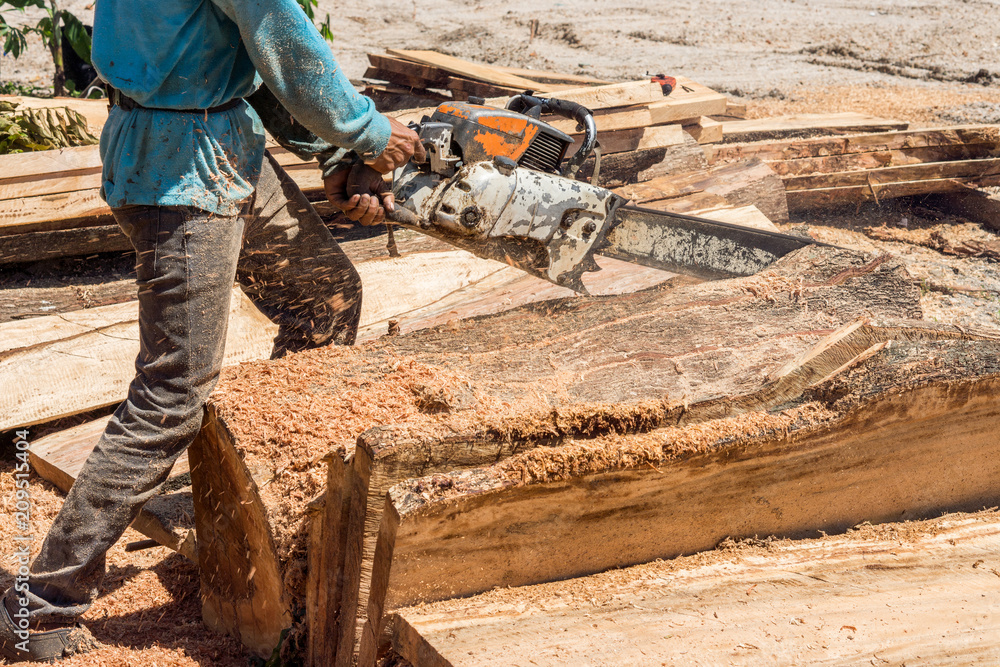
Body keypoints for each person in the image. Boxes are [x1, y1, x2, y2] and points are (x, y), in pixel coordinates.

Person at [0, 0, 424, 661]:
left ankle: (279, 511)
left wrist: (333, 154)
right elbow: (285, 47)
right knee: (173, 394)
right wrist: (368, 134)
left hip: (218, 138)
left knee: (324, 296)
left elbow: (247, 55)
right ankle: (42, 601)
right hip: (182, 165)